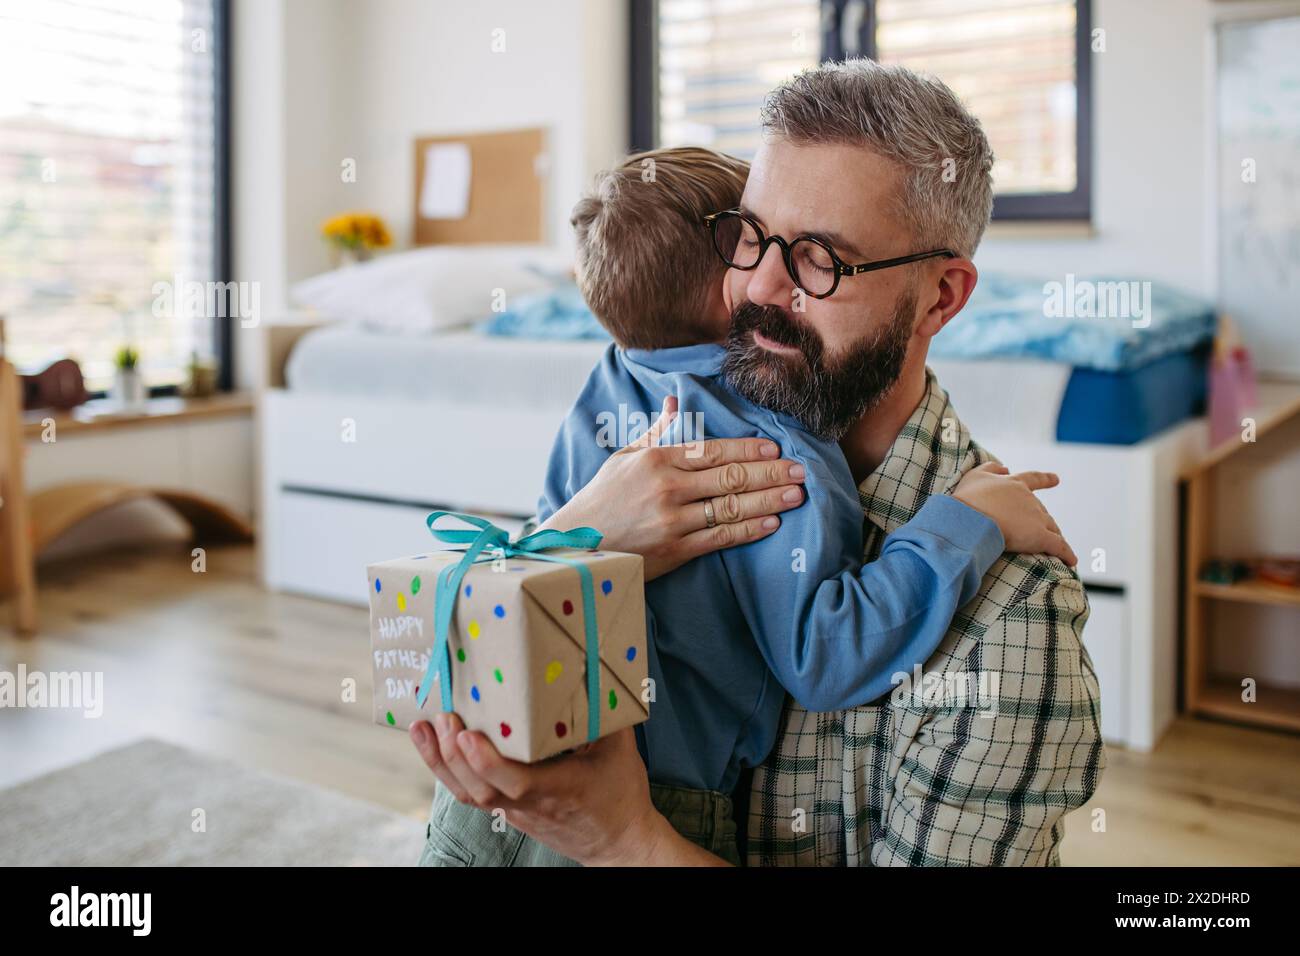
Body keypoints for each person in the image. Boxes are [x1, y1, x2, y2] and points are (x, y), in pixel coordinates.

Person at [412, 60, 1105, 866]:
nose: (757, 286)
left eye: (822, 259)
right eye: (750, 235)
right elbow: (448, 679)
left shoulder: (1010, 624)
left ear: (942, 297)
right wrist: (584, 538)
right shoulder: (639, 441)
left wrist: (624, 839)